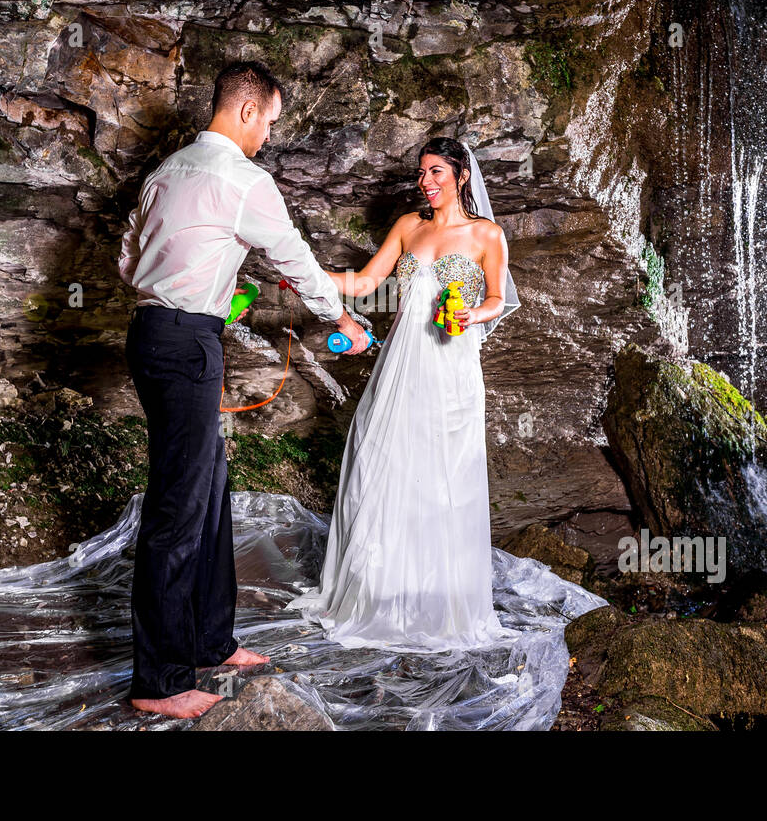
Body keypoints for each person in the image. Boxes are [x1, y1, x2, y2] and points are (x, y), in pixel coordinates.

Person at [117, 61, 371, 718]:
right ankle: (161, 681)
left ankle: (211, 638)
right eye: (272, 123)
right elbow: (294, 257)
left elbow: (128, 262)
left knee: (210, 487)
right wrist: (339, 317)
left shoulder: (165, 173)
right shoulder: (241, 178)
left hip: (153, 332)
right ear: (249, 110)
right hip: (185, 344)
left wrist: (202, 288)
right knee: (177, 509)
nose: (269, 138)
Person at [286, 136, 521, 650]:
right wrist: (304, 275)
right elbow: (367, 282)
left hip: (451, 365)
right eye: (422, 173)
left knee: (444, 473)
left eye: (437, 172)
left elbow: (499, 300)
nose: (426, 182)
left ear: (461, 176)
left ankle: (436, 597)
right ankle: (381, 588)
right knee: (381, 458)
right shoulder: (409, 227)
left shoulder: (488, 235)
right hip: (400, 364)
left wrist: (469, 314)